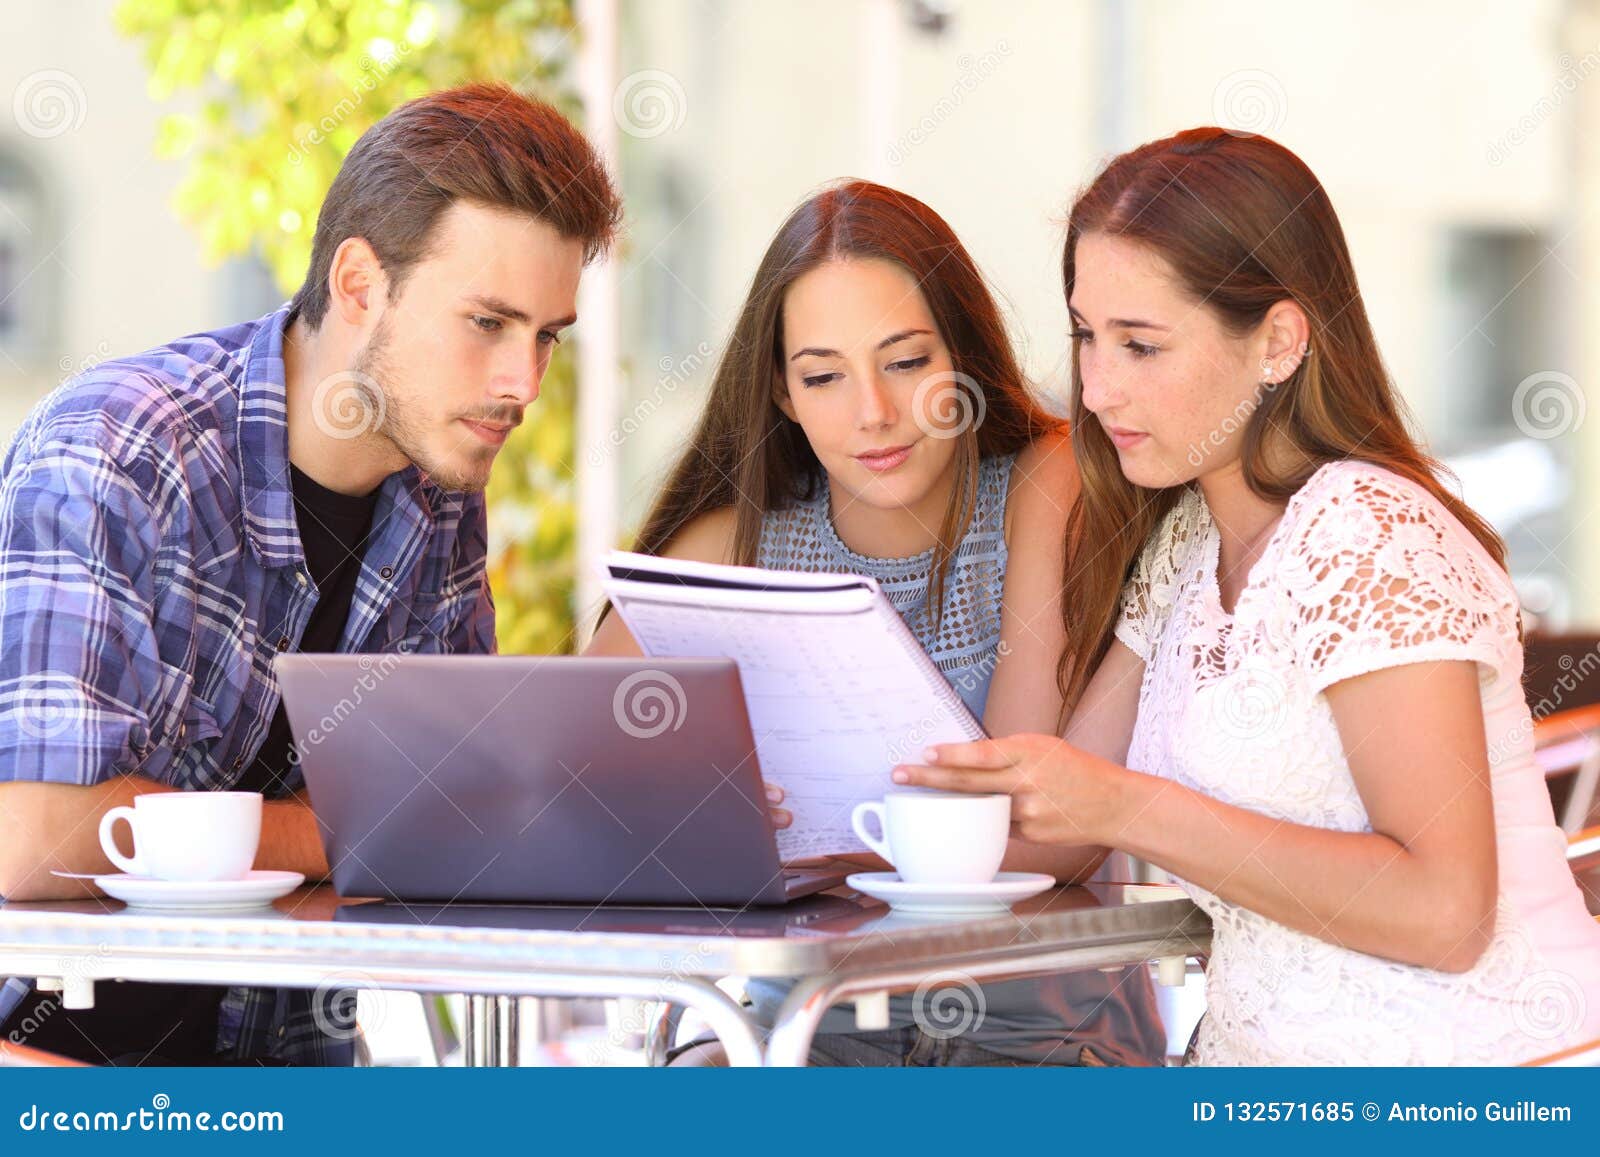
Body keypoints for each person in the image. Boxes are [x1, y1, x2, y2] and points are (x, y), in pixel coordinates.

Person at [895, 127, 1600, 1065]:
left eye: (1141, 344)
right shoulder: (1189, 543)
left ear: (1277, 340)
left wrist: (1126, 809)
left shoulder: (1367, 532)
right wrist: (818, 822)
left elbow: (1445, 912)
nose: (1097, 389)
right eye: (1086, 336)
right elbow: (1063, 828)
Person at [0, 82, 621, 1065]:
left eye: (545, 335)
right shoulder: (119, 450)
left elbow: (456, 810)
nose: (523, 383)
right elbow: (33, 840)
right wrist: (352, 830)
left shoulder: (438, 486)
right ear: (360, 283)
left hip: (276, 1064)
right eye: (488, 324)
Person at [588, 180, 1168, 1067]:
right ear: (782, 393)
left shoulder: (1045, 486)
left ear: (963, 358)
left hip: (1036, 1035)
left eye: (904, 362)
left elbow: (1025, 824)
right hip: (810, 1037)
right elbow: (574, 784)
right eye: (823, 376)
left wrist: (800, 857)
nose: (873, 413)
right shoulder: (734, 541)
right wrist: (696, 824)